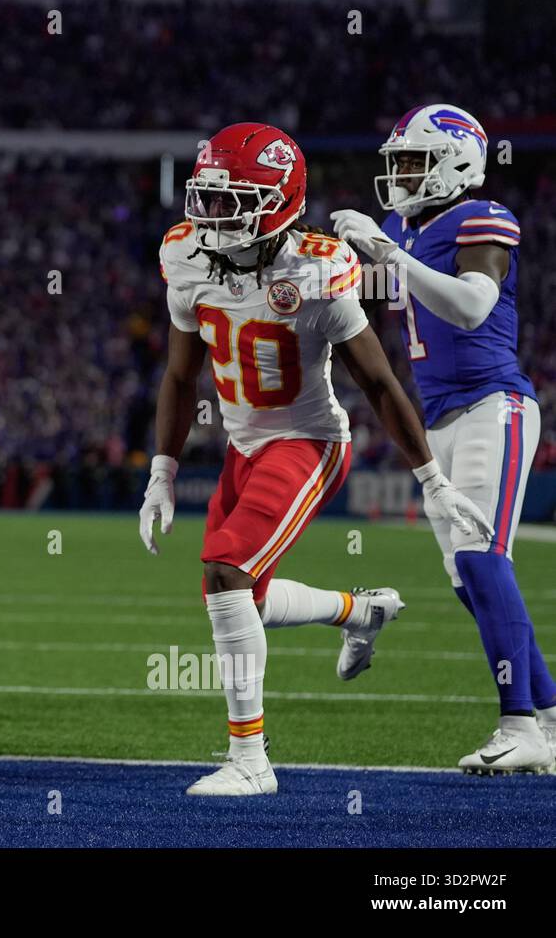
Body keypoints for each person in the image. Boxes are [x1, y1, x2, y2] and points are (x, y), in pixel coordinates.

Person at [145, 122, 489, 795]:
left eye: (232, 199)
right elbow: (181, 376)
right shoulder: (184, 256)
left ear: (278, 202)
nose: (213, 214)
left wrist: (432, 480)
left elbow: (379, 383)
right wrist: (162, 468)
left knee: (225, 573)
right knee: (247, 595)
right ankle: (361, 613)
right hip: (243, 446)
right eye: (208, 197)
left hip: (308, 442)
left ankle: (251, 761)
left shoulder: (320, 268)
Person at [332, 104, 556, 774]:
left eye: (413, 161)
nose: (400, 174)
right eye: (397, 161)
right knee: (467, 576)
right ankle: (545, 717)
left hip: (496, 406)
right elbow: (372, 288)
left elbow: (470, 304)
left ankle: (518, 723)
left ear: (457, 161)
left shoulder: (478, 217)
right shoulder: (409, 228)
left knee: (485, 559)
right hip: (439, 422)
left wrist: (387, 251)